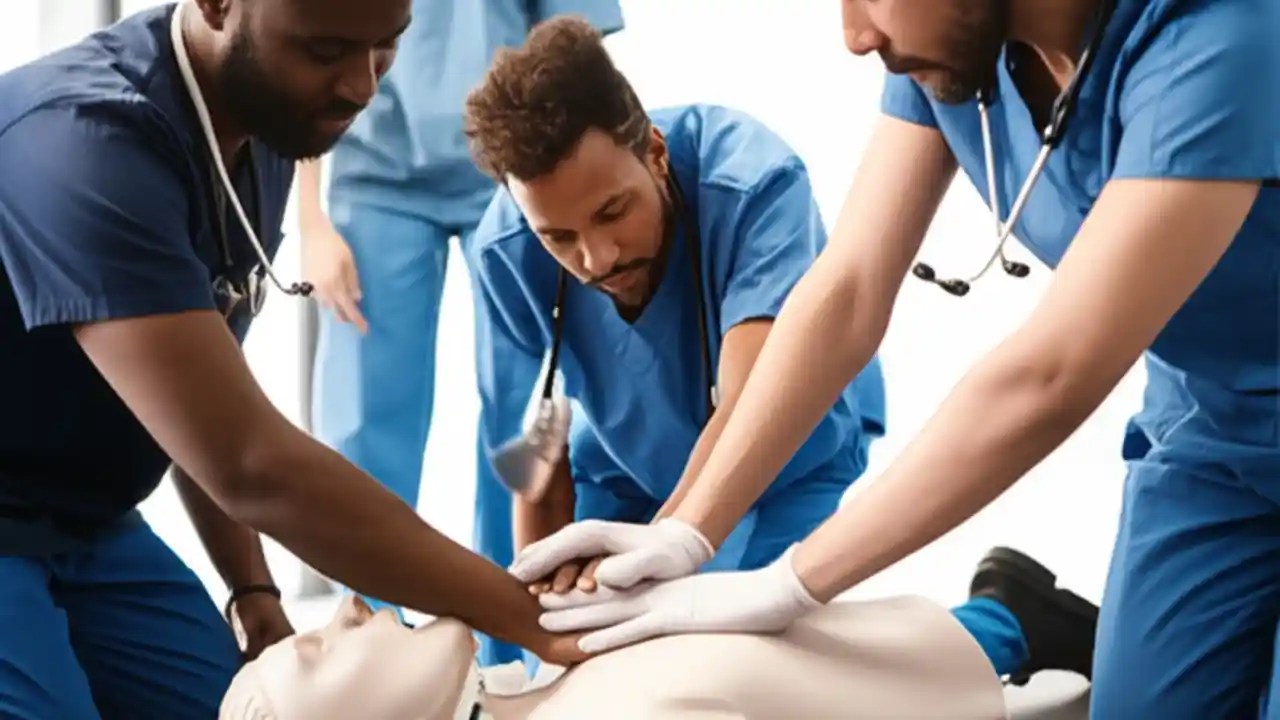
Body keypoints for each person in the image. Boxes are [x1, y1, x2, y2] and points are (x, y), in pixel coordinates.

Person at [510, 0, 1280, 717]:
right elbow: (847, 289)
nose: (856, 33)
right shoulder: (960, 46)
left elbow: (1051, 371)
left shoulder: (1223, 37)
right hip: (1212, 439)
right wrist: (685, 533)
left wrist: (791, 583)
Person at [0, 2, 586, 717]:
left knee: (237, 704)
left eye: (386, 48)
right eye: (328, 50)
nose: (362, 87)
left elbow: (203, 397)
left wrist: (252, 589)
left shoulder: (265, 124)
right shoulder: (83, 141)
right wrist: (531, 621)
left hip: (85, 520)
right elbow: (248, 461)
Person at [462, 17, 884, 620]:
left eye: (613, 212)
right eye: (558, 237)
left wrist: (668, 546)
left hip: (784, 452)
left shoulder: (751, 185)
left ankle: (1002, 618)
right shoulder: (505, 250)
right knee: (587, 653)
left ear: (655, 152)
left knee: (753, 652)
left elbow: (753, 403)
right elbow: (537, 452)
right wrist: (541, 631)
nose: (596, 258)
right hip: (621, 462)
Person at [296, 0, 623, 660]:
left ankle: (518, 636)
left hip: (506, 173)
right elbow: (299, 50)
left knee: (524, 413)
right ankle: (371, 638)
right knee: (364, 419)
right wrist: (309, 223)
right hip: (371, 172)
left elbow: (575, 47)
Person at [220, 548, 1096, 720]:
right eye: (314, 650)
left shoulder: (525, 687)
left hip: (887, 656)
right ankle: (1009, 620)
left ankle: (1005, 618)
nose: (346, 610)